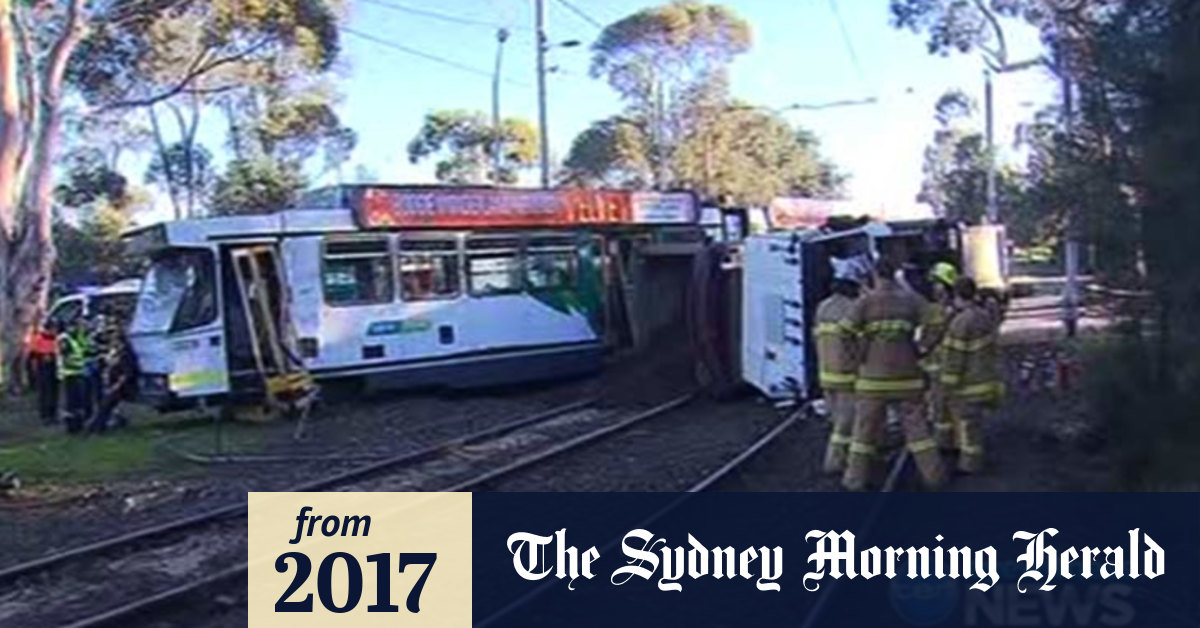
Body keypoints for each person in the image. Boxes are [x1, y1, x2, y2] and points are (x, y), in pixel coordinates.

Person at [842, 257, 947, 491]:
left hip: (872, 380)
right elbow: (938, 322)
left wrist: (858, 356)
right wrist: (923, 348)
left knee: (864, 434)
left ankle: (854, 480)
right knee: (918, 432)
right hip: (908, 378)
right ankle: (935, 477)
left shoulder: (865, 303)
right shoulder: (911, 300)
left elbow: (844, 332)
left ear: (875, 275)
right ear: (895, 274)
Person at [940, 277, 1005, 474]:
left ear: (956, 295)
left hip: (968, 384)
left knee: (968, 427)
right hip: (986, 379)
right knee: (974, 424)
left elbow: (954, 358)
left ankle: (970, 465)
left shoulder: (960, 322)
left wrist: (947, 384)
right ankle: (972, 460)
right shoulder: (984, 316)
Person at [817, 257, 868, 473]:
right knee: (846, 425)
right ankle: (835, 463)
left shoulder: (823, 306)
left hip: (826, 374)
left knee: (837, 420)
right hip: (847, 376)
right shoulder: (853, 309)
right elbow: (861, 344)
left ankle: (844, 461)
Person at [920, 262, 960, 453]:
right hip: (936, 367)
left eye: (938, 283)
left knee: (950, 406)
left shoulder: (955, 311)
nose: (935, 287)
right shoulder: (932, 309)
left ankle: (953, 443)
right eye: (933, 283)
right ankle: (945, 443)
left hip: (949, 366)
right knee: (939, 408)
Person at [89, 316, 137, 433]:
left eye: (115, 339)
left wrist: (116, 385)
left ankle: (97, 428)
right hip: (112, 382)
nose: (112, 341)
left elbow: (128, 372)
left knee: (106, 404)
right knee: (105, 404)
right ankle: (100, 426)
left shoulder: (126, 353)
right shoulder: (115, 350)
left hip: (122, 385)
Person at [57, 317, 94, 435]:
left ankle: (80, 424)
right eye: (74, 326)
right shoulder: (64, 338)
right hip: (70, 375)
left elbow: (84, 350)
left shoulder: (76, 338)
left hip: (79, 373)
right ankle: (72, 427)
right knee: (71, 403)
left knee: (80, 402)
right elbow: (66, 355)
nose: (76, 328)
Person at [27, 321, 59, 424]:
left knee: (54, 391)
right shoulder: (38, 339)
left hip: (54, 367)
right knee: (45, 392)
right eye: (53, 329)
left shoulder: (56, 339)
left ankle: (53, 414)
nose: (54, 331)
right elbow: (32, 356)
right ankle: (45, 415)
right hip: (42, 368)